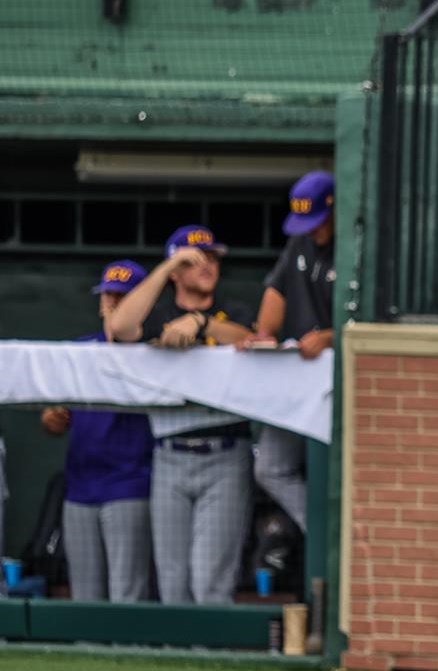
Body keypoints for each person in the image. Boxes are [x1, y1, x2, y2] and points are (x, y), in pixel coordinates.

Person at [106, 226, 257, 605]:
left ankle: (214, 646)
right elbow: (120, 327)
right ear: (175, 271)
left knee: (210, 585)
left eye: (213, 258)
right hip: (169, 454)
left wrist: (201, 323)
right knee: (172, 584)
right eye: (194, 260)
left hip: (225, 451)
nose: (207, 265)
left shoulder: (234, 310)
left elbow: (251, 338)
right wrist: (166, 267)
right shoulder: (159, 314)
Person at [39, 261, 156, 603]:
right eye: (108, 295)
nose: (113, 303)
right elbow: (52, 413)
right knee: (85, 596)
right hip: (80, 487)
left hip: (129, 485)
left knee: (127, 596)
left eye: (124, 296)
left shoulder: (150, 352)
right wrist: (51, 418)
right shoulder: (80, 350)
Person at [242, 171, 336, 536]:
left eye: (318, 222)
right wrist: (263, 335)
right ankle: (322, 535)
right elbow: (274, 297)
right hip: (297, 375)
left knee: (333, 468)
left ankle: (333, 543)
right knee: (270, 467)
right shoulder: (300, 242)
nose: (312, 231)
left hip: (337, 381)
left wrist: (329, 337)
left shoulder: (352, 243)